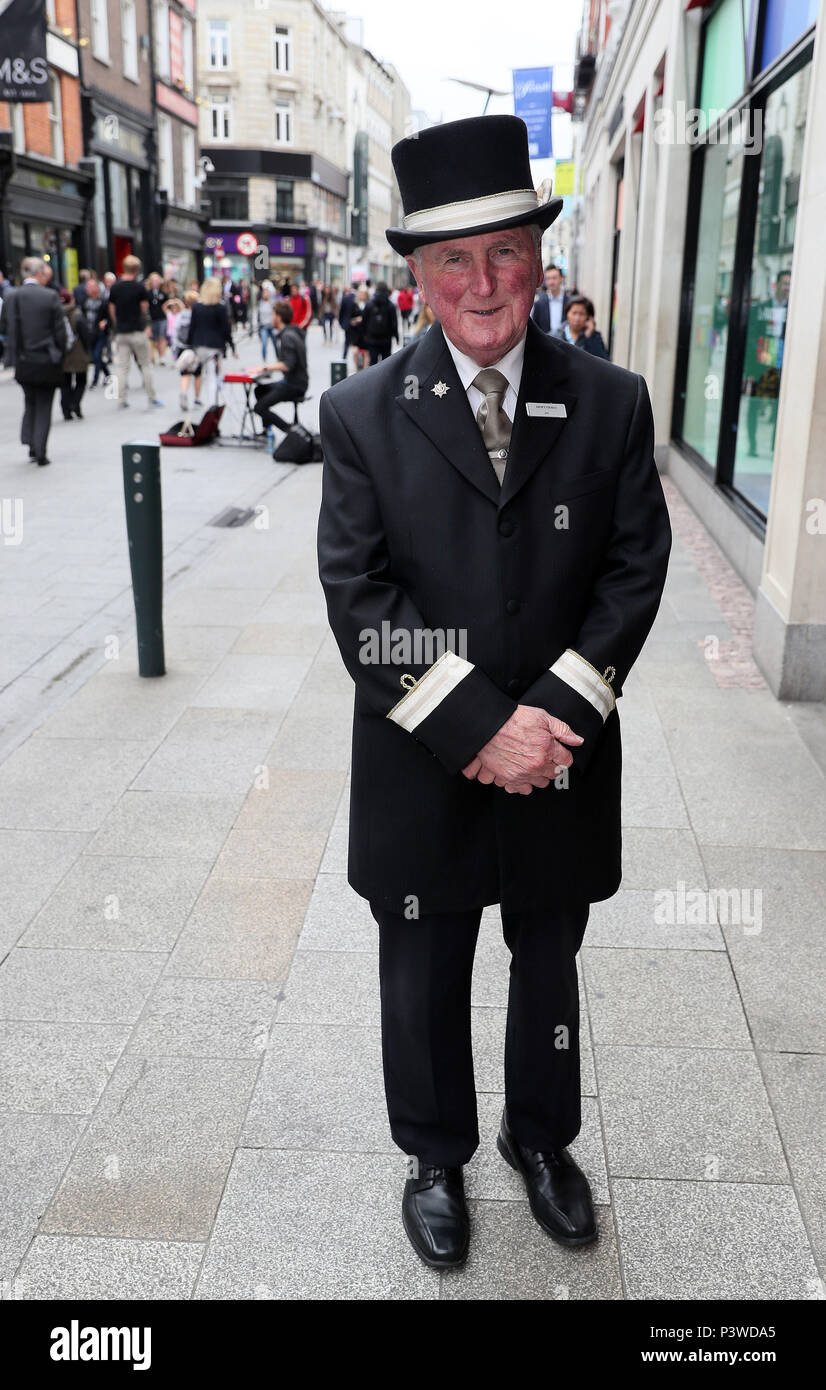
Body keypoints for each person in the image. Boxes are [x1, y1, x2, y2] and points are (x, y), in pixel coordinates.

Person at [317, 115, 672, 1270]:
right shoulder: (363, 413)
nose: (483, 283)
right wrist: (480, 728)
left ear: (539, 256)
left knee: (548, 954)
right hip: (425, 758)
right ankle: (433, 1155)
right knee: (421, 964)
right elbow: (361, 602)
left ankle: (543, 1140)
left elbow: (632, 569)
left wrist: (551, 722)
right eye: (454, 259)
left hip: (561, 752)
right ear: (415, 276)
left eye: (505, 250)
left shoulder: (611, 402)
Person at [0, 255, 68, 465]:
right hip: (46, 359)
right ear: (38, 273)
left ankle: (30, 442)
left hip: (22, 360)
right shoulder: (49, 296)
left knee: (30, 400)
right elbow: (60, 332)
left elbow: (3, 328)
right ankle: (40, 449)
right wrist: (60, 353)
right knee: (44, 404)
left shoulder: (11, 297)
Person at [109, 256, 163, 409]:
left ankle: (121, 399)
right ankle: (152, 397)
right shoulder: (139, 288)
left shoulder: (115, 288)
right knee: (145, 364)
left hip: (122, 332)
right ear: (137, 269)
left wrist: (118, 323)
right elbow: (144, 308)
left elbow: (112, 309)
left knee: (123, 367)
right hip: (137, 330)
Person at [252, 299, 308, 439]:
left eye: (272, 315)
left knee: (259, 407)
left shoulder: (287, 336)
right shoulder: (292, 332)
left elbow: (287, 364)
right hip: (296, 381)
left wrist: (265, 368)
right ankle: (267, 431)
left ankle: (290, 429)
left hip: (294, 384)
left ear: (278, 317)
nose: (271, 318)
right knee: (259, 390)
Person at [183, 275, 235, 408]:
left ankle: (193, 395)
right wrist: (232, 346)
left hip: (199, 345)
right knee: (213, 374)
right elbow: (226, 330)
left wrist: (189, 345)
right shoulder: (220, 308)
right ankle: (214, 402)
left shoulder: (197, 307)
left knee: (201, 372)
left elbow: (192, 327)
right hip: (215, 346)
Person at [59, 287, 90, 419]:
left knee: (65, 384)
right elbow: (86, 335)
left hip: (62, 354)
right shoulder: (77, 314)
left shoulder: (54, 315)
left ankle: (66, 411)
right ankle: (75, 403)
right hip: (78, 353)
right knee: (81, 381)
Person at [360, 281, 398, 365]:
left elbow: (364, 321)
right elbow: (394, 323)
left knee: (373, 362)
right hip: (386, 339)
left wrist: (364, 335)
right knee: (386, 363)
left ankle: (374, 378)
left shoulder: (369, 304)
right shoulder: (390, 305)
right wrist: (396, 336)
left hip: (372, 338)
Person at [532, 264, 570, 336]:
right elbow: (535, 328)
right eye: (548, 278)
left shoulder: (570, 302)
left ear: (562, 279)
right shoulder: (539, 304)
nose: (551, 282)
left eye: (554, 278)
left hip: (565, 344)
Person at [145, 271, 169, 365]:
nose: (155, 282)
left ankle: (162, 357)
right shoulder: (147, 294)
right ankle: (153, 356)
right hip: (152, 319)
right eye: (153, 280)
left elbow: (167, 305)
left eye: (157, 280)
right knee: (153, 339)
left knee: (162, 337)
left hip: (162, 318)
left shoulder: (163, 293)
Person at [348, 285, 370, 371]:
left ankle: (365, 370)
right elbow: (350, 319)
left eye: (364, 294)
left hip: (366, 332)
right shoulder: (354, 305)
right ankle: (357, 369)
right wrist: (356, 320)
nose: (362, 295)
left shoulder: (369, 304)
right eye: (361, 293)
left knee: (366, 352)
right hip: (356, 333)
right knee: (355, 352)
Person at [256, 281, 278, 361]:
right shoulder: (260, 303)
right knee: (264, 344)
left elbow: (276, 315)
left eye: (267, 292)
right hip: (264, 327)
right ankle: (264, 360)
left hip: (272, 327)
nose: (265, 294)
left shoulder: (273, 303)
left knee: (275, 344)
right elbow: (258, 317)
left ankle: (278, 358)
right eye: (264, 292)